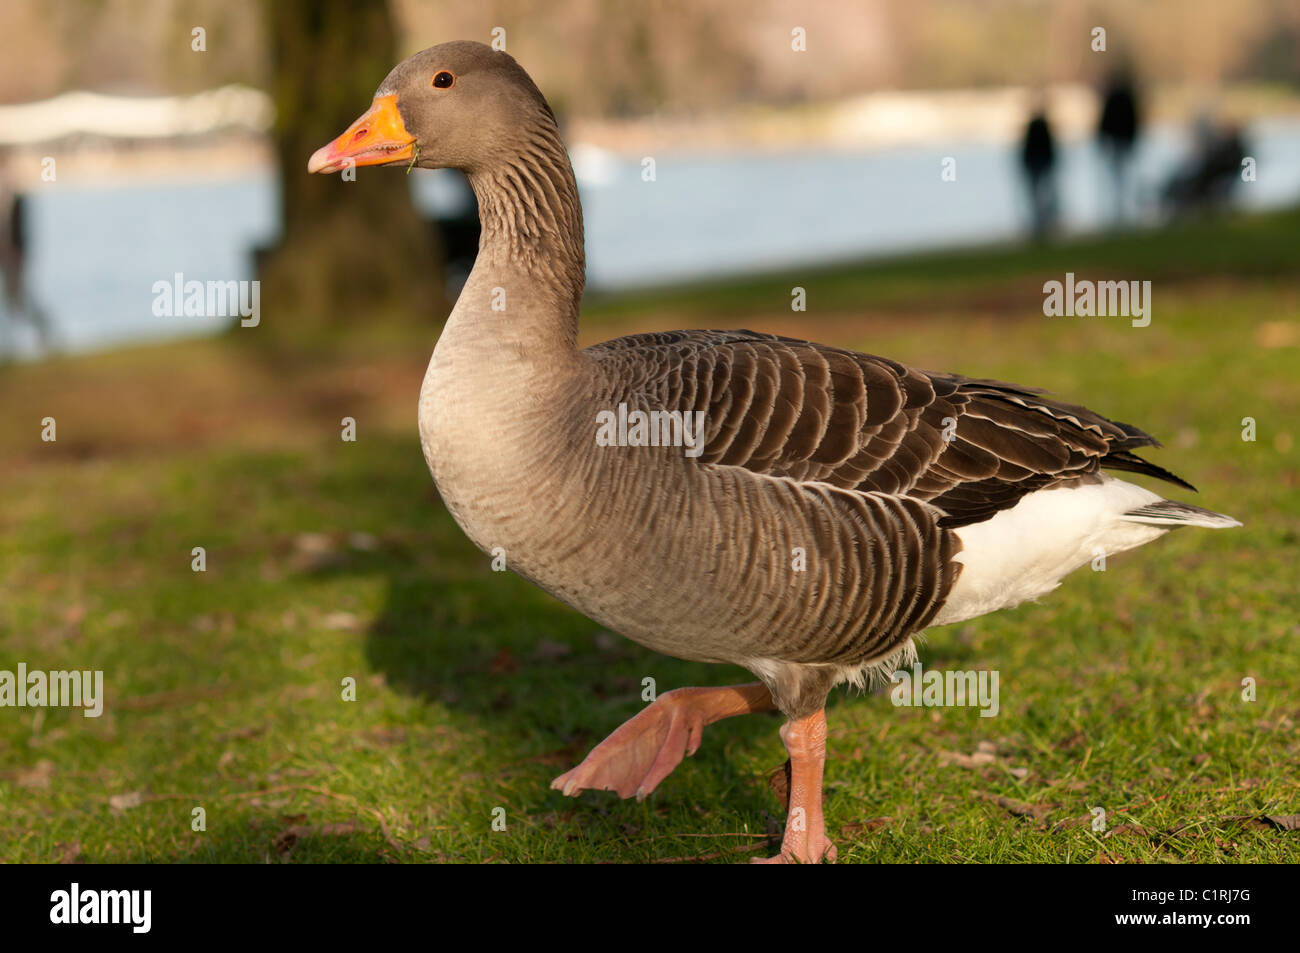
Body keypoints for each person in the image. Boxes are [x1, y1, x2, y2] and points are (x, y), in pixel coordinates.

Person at [1097, 68, 1141, 224]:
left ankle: (1122, 208)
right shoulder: (1124, 98)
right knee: (1121, 175)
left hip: (1118, 141)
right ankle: (1121, 208)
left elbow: (1106, 121)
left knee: (1119, 175)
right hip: (1120, 141)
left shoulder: (1116, 98)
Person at [1020, 101, 1058, 238]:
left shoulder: (1032, 128)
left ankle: (1039, 223)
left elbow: (1027, 150)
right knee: (1043, 195)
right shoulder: (1044, 127)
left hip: (1034, 164)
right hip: (1041, 163)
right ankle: (1043, 223)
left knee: (1036, 196)